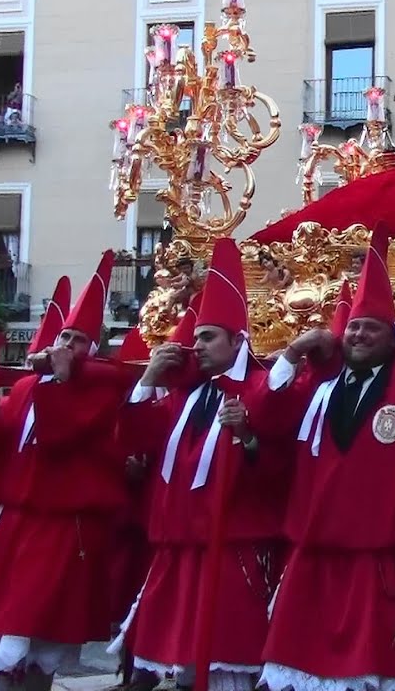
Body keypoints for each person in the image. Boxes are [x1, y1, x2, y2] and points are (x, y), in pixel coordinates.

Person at [257, 227, 395, 691]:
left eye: (371, 328)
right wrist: (295, 352)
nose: (359, 334)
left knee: (383, 673)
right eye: (354, 328)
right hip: (318, 556)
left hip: (388, 560)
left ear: (390, 335)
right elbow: (266, 416)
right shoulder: (319, 387)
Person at [113, 238, 289, 691]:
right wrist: (150, 377)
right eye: (195, 340)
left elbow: (278, 470)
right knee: (182, 667)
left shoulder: (261, 389)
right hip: (179, 548)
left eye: (208, 338)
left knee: (229, 668)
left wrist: (248, 437)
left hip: (233, 549)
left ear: (238, 340)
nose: (198, 347)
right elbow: (132, 439)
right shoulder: (184, 397)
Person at [0, 252, 132, 691]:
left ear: (91, 349)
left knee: (38, 635)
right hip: (15, 520)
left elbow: (59, 438)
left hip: (60, 526)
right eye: (64, 335)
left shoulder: (97, 390)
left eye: (77, 339)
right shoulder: (24, 387)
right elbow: (6, 440)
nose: (67, 345)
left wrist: (60, 382)